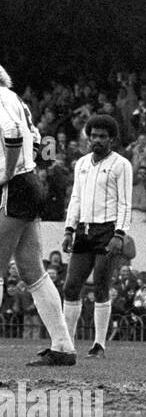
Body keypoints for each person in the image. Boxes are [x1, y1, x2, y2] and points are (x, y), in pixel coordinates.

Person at [0, 64, 79, 366]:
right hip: (30, 183)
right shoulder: (15, 99)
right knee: (32, 270)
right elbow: (34, 138)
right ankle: (63, 345)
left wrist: (7, 172)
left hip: (15, 186)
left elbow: (11, 134)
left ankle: (63, 344)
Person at [61, 115, 132, 358]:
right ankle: (66, 342)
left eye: (102, 136)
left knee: (102, 286)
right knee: (71, 287)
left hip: (108, 230)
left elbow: (125, 203)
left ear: (112, 139)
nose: (97, 140)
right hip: (84, 229)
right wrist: (69, 229)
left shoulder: (121, 165)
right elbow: (76, 199)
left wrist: (119, 234)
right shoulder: (80, 163)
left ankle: (99, 344)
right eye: (93, 136)